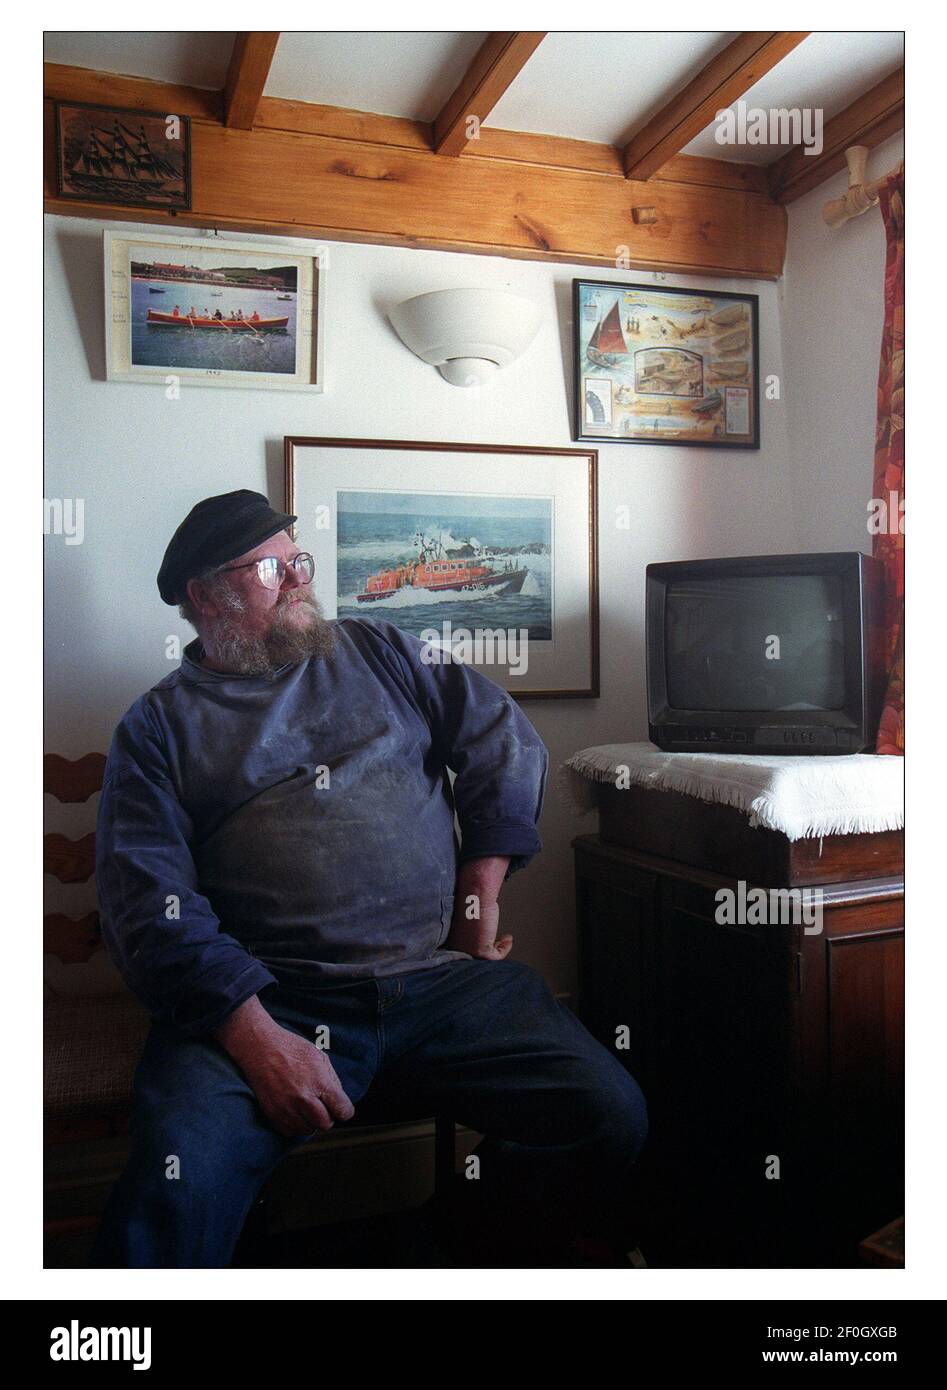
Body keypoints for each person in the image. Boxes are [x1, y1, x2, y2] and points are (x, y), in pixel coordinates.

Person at [89, 490, 648, 1268]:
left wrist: (478, 890)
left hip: (437, 983)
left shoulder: (381, 650)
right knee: (176, 1185)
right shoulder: (157, 727)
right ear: (203, 594)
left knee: (607, 1112)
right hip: (268, 1000)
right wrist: (254, 1039)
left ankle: (435, 1250)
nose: (298, 581)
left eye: (298, 560)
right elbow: (148, 906)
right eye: (271, 568)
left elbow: (501, 740)